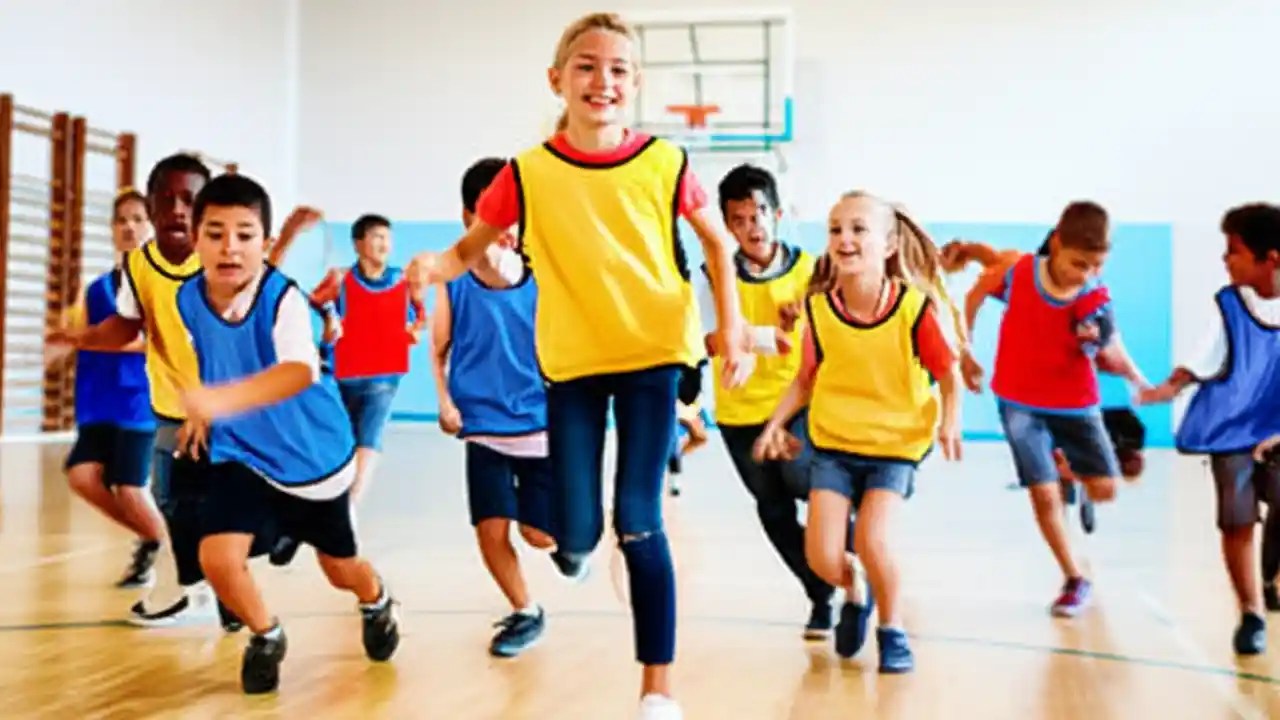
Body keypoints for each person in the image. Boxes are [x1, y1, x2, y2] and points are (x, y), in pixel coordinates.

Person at [407, 13, 752, 719]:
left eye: (618, 68)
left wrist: (737, 330)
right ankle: (577, 549)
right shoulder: (526, 174)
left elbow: (719, 247)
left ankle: (658, 688)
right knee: (578, 532)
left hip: (653, 355)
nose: (603, 80)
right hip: (572, 366)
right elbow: (465, 252)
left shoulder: (665, 163)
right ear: (557, 80)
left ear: (636, 82)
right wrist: (430, 267)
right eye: (587, 66)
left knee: (640, 520)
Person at [174, 172, 399, 693]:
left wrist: (218, 400)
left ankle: (376, 601)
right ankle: (266, 635)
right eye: (215, 234)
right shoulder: (189, 298)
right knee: (217, 558)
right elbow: (214, 354)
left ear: (265, 243)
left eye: (245, 235)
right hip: (244, 453)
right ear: (195, 238)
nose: (230, 247)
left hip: (312, 459)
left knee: (340, 570)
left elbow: (297, 371)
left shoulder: (285, 301)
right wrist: (201, 413)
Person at [754, 190, 962, 673]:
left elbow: (948, 375)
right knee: (824, 558)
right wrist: (774, 424)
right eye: (836, 230)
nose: (844, 239)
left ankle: (892, 628)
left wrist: (950, 420)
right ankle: (855, 588)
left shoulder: (913, 310)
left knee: (872, 541)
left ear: (889, 245)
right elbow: (804, 380)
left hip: (894, 447)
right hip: (834, 445)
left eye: (858, 229)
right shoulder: (820, 311)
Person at [962, 201, 1140, 619]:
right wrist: (966, 354)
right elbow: (972, 297)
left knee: (1106, 490)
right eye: (1079, 263)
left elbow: (1111, 348)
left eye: (1096, 266)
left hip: (1075, 403)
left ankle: (1069, 471)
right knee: (1043, 496)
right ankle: (1075, 578)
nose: (1086, 274)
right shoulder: (1018, 271)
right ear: (1056, 244)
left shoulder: (1095, 297)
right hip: (1019, 399)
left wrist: (1137, 379)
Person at [431, 157, 576, 658]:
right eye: (488, 216)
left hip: (539, 424)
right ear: (468, 219)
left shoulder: (543, 274)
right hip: (483, 426)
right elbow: (438, 349)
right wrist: (444, 401)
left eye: (510, 215)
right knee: (490, 530)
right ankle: (525, 610)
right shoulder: (452, 280)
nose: (501, 227)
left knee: (538, 535)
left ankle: (572, 536)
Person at [697, 163, 841, 638]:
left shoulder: (813, 270)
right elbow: (706, 341)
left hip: (798, 404)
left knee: (812, 487)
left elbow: (837, 333)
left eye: (758, 214)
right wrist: (759, 336)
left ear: (777, 214)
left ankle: (856, 549)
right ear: (727, 226)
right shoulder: (714, 274)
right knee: (773, 509)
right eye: (738, 220)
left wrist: (804, 318)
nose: (751, 227)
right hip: (739, 412)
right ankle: (820, 593)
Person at [1140, 202, 1280, 653]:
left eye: (1234, 250)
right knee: (1236, 517)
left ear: (1270, 258)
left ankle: (1270, 577)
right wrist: (1168, 388)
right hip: (1232, 428)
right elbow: (1203, 358)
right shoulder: (1231, 305)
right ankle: (1251, 613)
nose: (1225, 258)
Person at [61, 189, 166, 588]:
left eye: (138, 219)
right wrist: (69, 340)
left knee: (130, 489)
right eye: (121, 220)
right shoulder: (97, 288)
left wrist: (98, 340)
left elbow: (158, 340)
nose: (129, 227)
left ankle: (167, 549)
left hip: (139, 401)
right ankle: (153, 535)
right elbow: (84, 337)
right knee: (82, 477)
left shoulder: (159, 285)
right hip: (98, 400)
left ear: (152, 227)